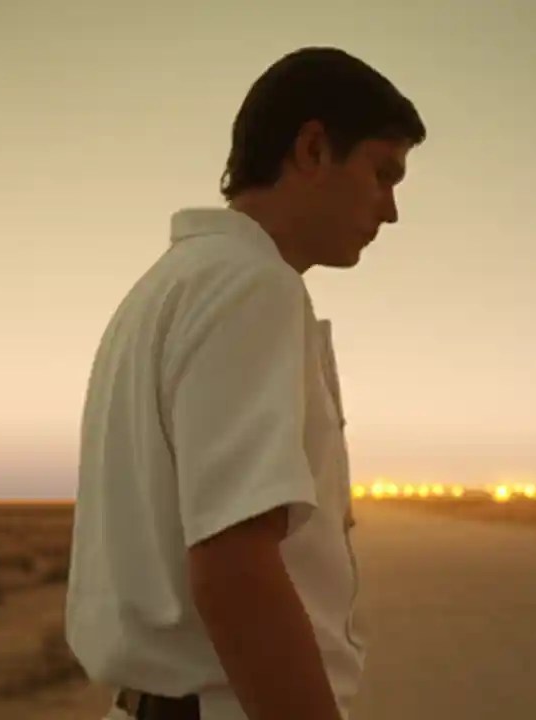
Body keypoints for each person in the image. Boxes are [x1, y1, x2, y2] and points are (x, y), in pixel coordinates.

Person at [64, 46, 426, 720]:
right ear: (313, 149)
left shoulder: (172, 285)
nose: (391, 210)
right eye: (383, 173)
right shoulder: (252, 286)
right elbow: (236, 571)